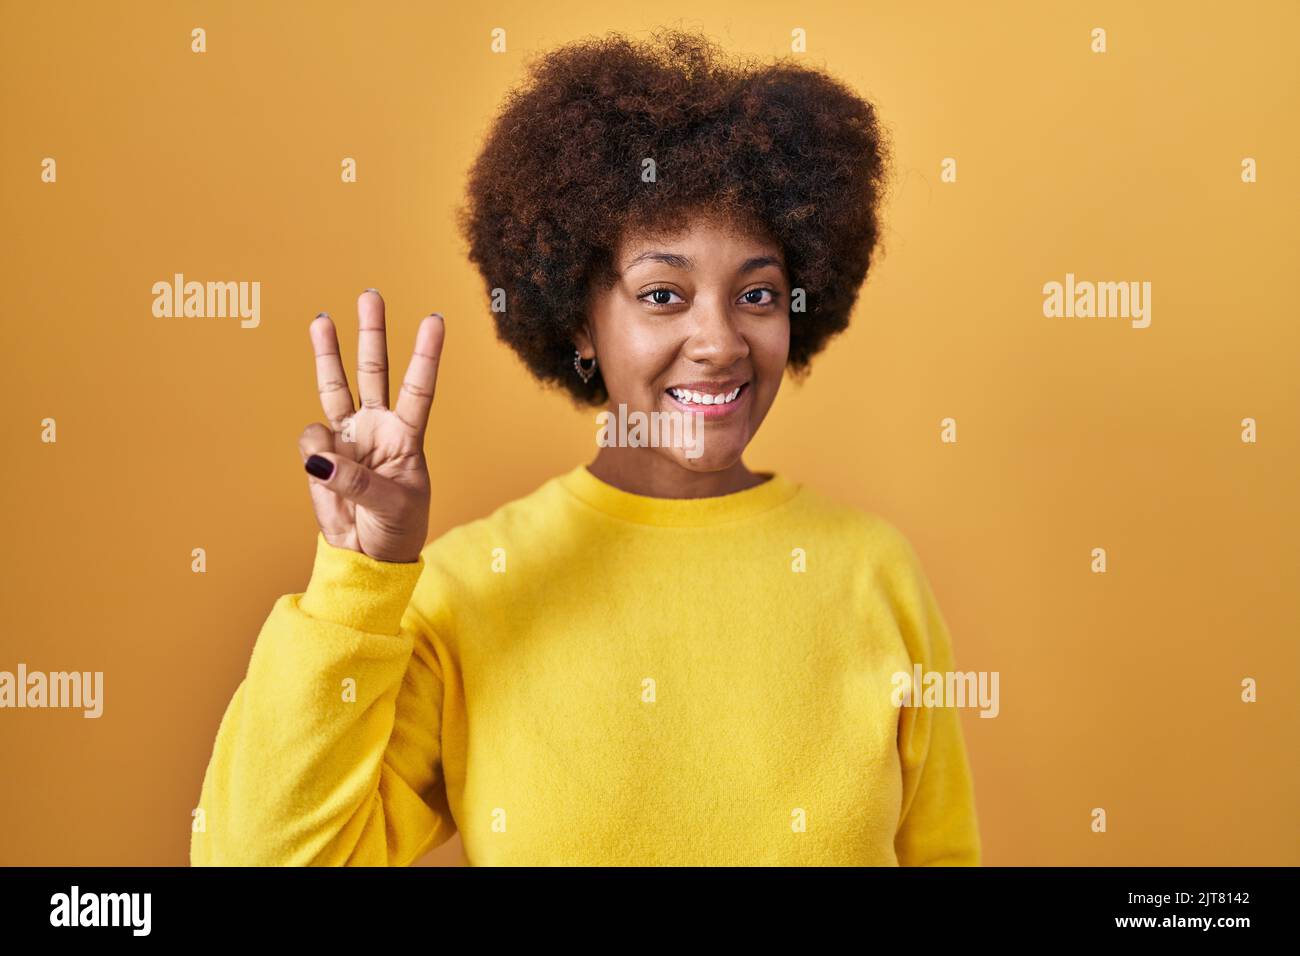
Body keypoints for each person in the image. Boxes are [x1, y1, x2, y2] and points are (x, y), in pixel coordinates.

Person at [190, 29, 980, 866]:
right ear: (579, 320)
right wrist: (358, 578)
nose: (718, 341)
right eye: (663, 293)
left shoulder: (874, 575)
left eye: (756, 293)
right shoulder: (472, 592)